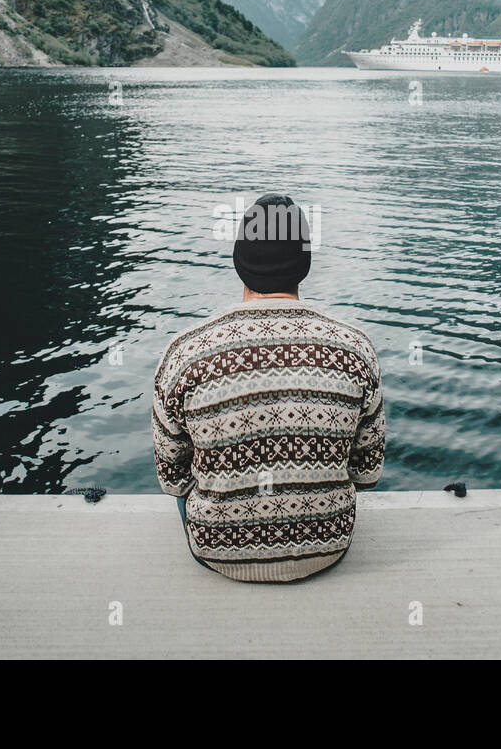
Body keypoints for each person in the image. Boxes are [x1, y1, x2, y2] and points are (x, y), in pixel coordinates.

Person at [152, 193, 385, 582]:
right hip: (328, 546)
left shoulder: (185, 355)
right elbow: (368, 473)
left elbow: (172, 478)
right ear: (305, 266)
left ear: (238, 263)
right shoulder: (355, 350)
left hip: (216, 550)